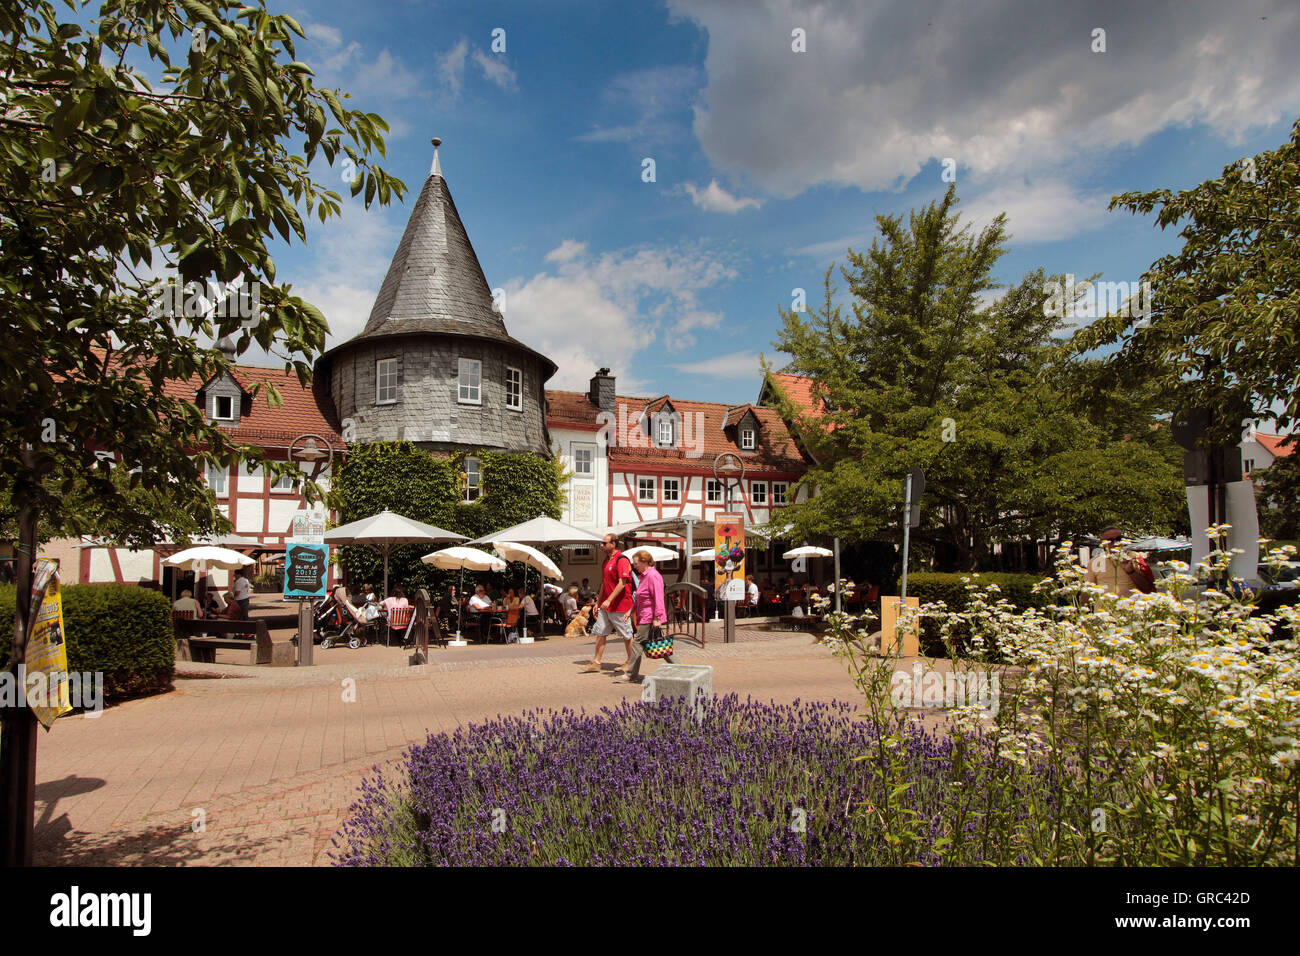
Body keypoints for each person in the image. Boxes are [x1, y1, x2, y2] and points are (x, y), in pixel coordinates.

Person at [614, 550, 671, 684]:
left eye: (636, 563)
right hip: (645, 615)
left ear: (645, 562)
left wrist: (657, 617)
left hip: (650, 616)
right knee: (661, 646)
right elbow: (640, 598)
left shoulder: (652, 576)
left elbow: (658, 597)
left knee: (638, 644)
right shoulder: (644, 576)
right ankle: (682, 669)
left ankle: (630, 674)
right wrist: (631, 610)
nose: (634, 566)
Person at [583, 534, 634, 673]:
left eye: (604, 543)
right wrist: (598, 602)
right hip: (606, 605)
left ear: (613, 544)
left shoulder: (622, 560)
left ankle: (631, 662)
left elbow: (622, 583)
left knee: (626, 634)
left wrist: (609, 599)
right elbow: (604, 583)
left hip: (620, 604)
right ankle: (596, 661)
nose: (601, 545)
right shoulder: (606, 561)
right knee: (601, 632)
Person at [1085, 527, 1154, 597]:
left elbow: (1147, 587)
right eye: (1110, 540)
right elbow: (1087, 590)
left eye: (1118, 539)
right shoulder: (1095, 561)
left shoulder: (1134, 557)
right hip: (1105, 606)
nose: (1115, 543)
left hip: (1130, 606)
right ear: (1102, 542)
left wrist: (1131, 571)